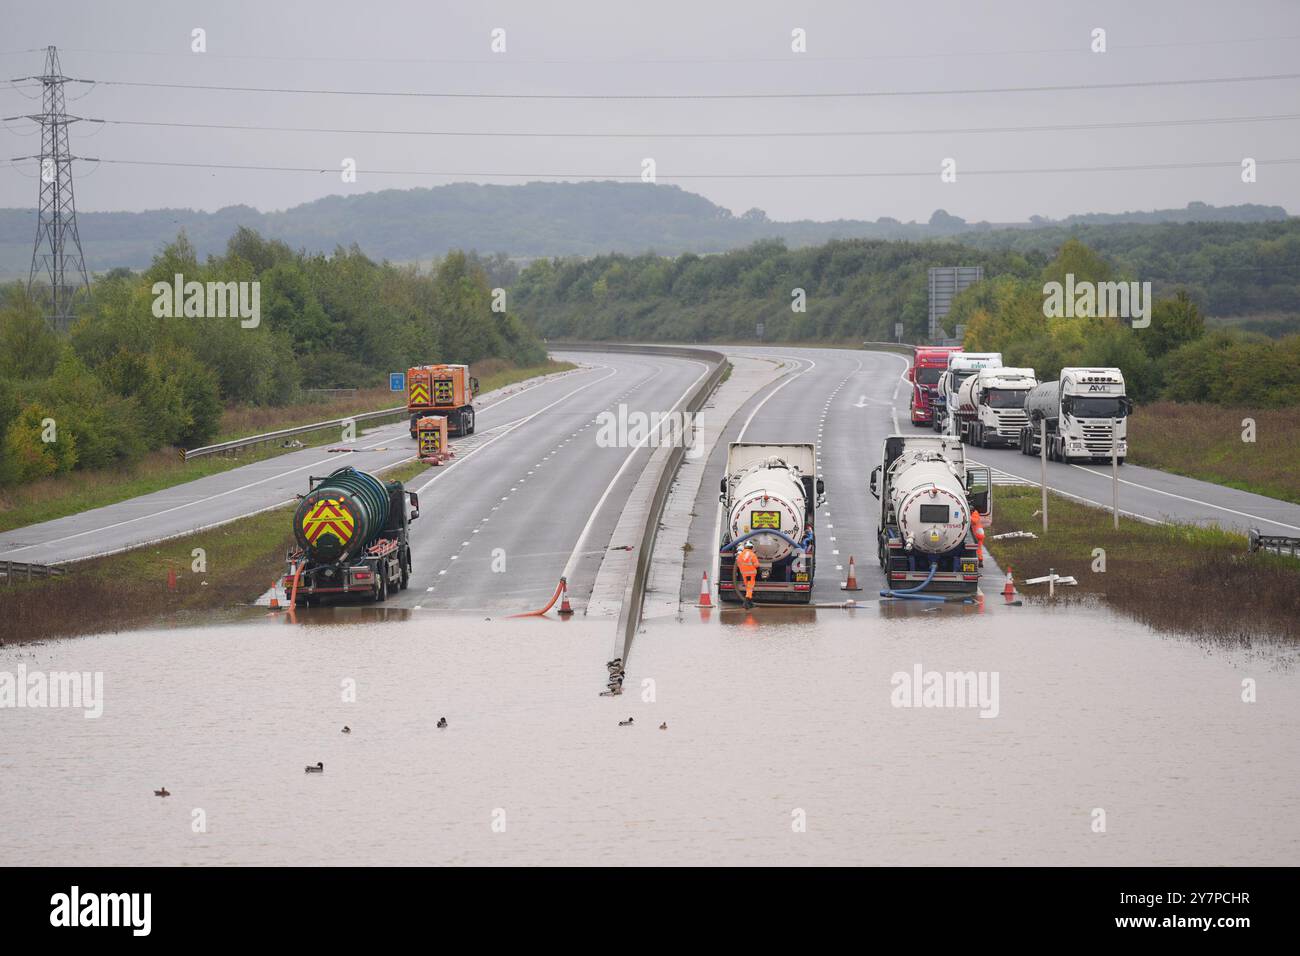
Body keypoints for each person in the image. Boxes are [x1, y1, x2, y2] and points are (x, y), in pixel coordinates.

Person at [735, 541, 760, 609]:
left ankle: (750, 603)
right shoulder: (752, 554)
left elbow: (738, 563)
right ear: (752, 547)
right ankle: (747, 602)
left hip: (744, 573)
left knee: (748, 587)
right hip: (751, 574)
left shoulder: (741, 554)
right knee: (750, 588)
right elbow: (757, 565)